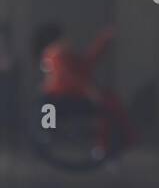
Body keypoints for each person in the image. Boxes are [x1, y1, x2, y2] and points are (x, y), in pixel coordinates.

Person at [32, 21, 138, 159]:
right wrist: (90, 91)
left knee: (109, 100)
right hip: (64, 98)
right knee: (107, 103)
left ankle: (120, 139)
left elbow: (86, 64)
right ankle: (113, 142)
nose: (68, 40)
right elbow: (69, 77)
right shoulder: (55, 55)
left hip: (68, 95)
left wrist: (104, 40)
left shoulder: (61, 55)